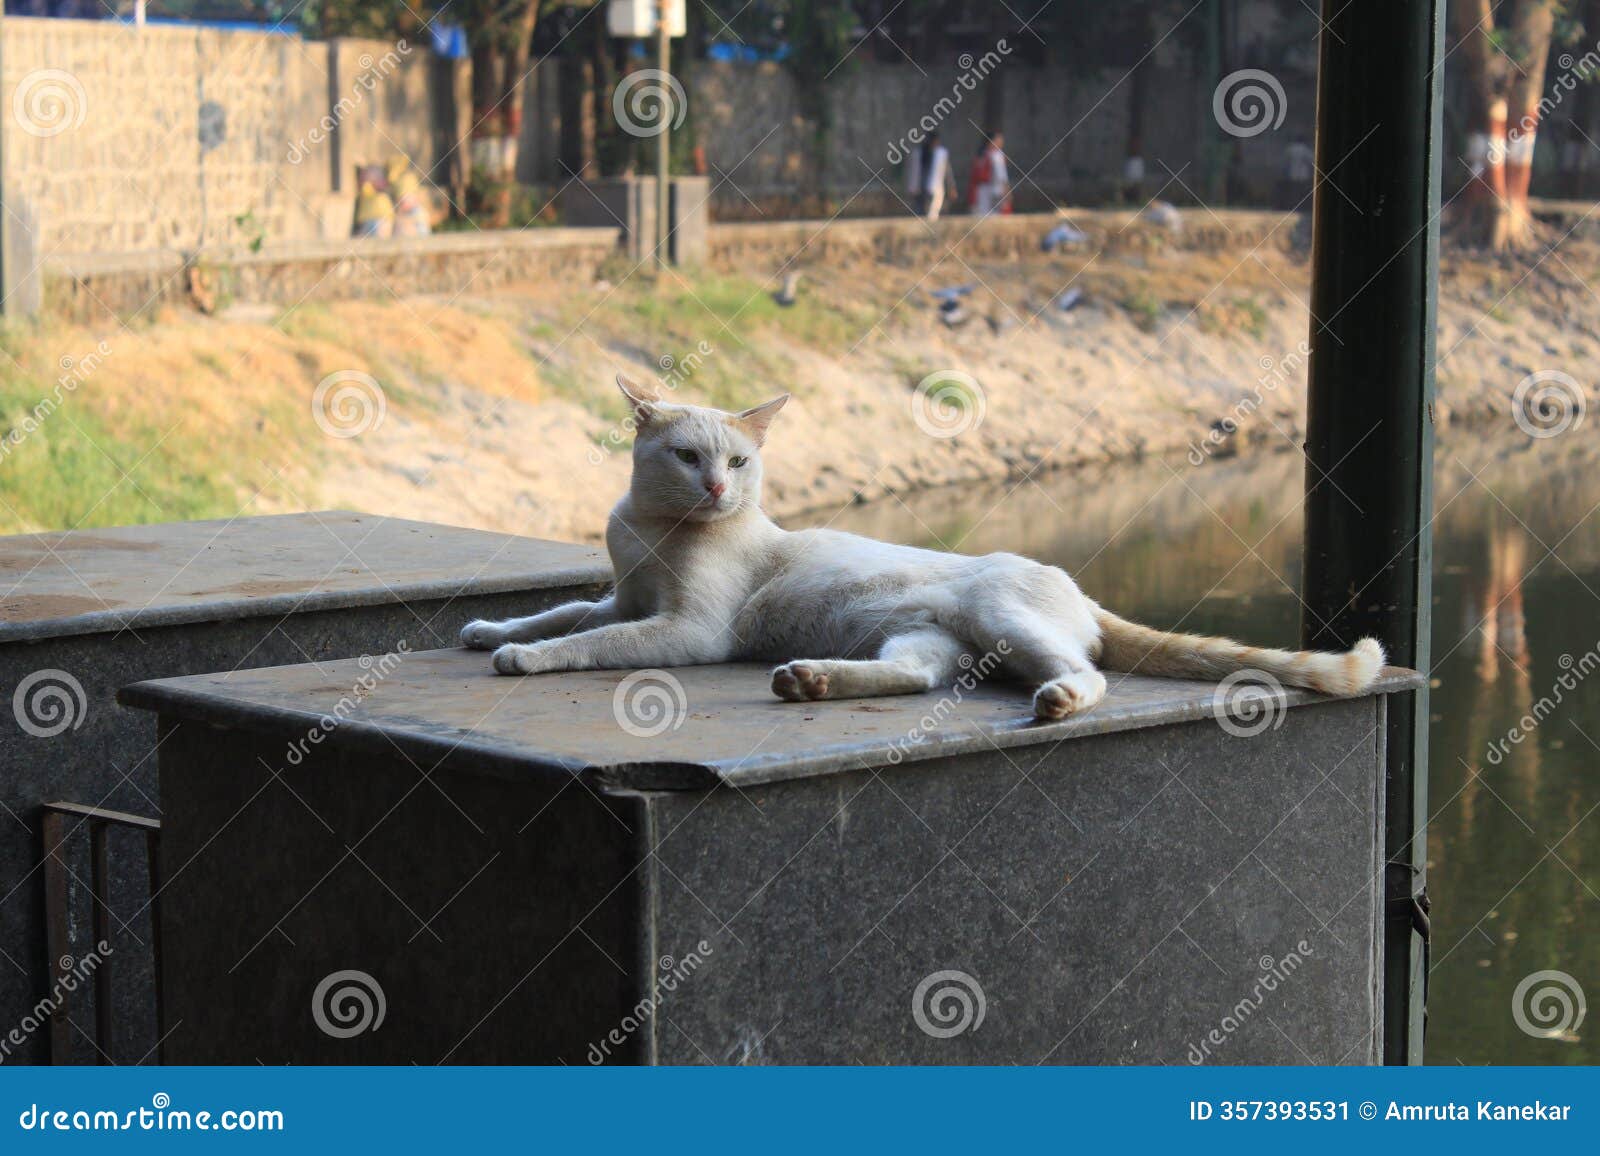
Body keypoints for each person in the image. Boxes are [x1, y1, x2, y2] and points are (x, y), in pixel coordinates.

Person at [917, 132, 955, 221]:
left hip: (938, 185)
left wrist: (951, 186)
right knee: (927, 209)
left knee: (935, 208)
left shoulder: (942, 153)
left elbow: (947, 171)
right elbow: (921, 172)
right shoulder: (925, 153)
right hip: (926, 187)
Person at [974, 130, 1010, 216]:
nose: (1001, 142)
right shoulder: (997, 155)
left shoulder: (983, 154)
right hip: (996, 191)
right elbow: (1002, 176)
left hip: (984, 191)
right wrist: (1007, 191)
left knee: (984, 215)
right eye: (999, 140)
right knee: (995, 216)